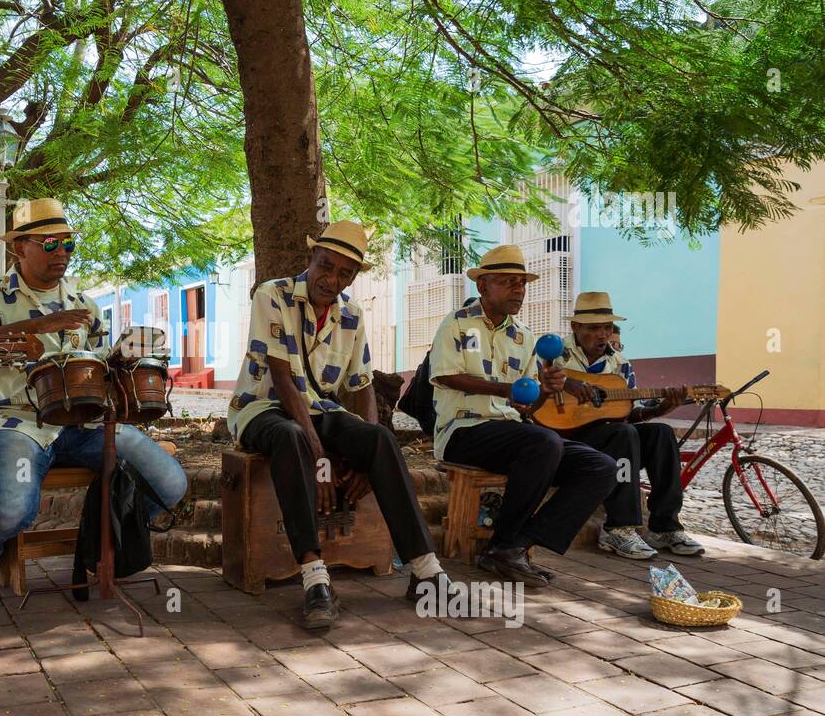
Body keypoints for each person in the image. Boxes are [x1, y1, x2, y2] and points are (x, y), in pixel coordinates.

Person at [0, 198, 187, 594]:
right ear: (20, 248)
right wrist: (39, 326)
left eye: (68, 244)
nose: (62, 253)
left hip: (84, 421)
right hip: (11, 421)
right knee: (9, 509)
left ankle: (95, 543)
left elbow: (102, 361)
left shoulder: (84, 305)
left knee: (168, 484)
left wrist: (130, 359)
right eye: (50, 244)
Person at [229, 221, 450, 629]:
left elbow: (362, 386)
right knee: (290, 434)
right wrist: (321, 461)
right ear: (310, 258)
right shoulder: (272, 295)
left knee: (381, 438)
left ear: (352, 278)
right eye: (326, 266)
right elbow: (281, 377)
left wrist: (366, 457)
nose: (331, 279)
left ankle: (424, 568)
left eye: (343, 273)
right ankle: (315, 578)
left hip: (320, 410)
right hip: (262, 408)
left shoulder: (352, 315)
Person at [429, 244, 618, 584]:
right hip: (463, 431)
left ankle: (514, 546)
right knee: (543, 442)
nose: (518, 290)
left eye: (522, 283)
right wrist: (506, 389)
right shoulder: (458, 324)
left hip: (512, 435)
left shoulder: (524, 337)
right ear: (482, 285)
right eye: (508, 282)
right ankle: (504, 546)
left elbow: (528, 407)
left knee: (601, 466)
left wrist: (545, 389)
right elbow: (445, 375)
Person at [557, 292, 702, 558]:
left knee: (661, 433)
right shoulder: (555, 355)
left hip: (609, 438)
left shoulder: (620, 364)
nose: (602, 335)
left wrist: (662, 408)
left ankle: (665, 526)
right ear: (575, 327)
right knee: (623, 434)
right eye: (593, 328)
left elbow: (629, 413)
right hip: (565, 439)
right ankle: (618, 528)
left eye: (607, 327)